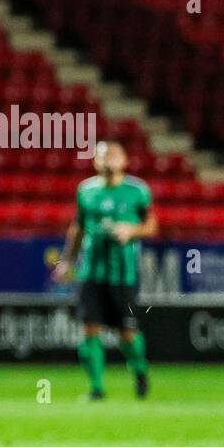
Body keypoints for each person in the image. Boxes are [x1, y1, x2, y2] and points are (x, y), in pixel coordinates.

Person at [52, 141, 157, 399]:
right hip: (91, 273)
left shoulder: (137, 190)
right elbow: (78, 227)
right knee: (90, 328)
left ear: (124, 161)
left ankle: (140, 369)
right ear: (95, 162)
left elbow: (152, 225)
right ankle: (97, 388)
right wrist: (67, 261)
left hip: (123, 274)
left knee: (127, 333)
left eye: (113, 155)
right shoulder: (86, 191)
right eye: (102, 156)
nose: (108, 159)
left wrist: (132, 230)